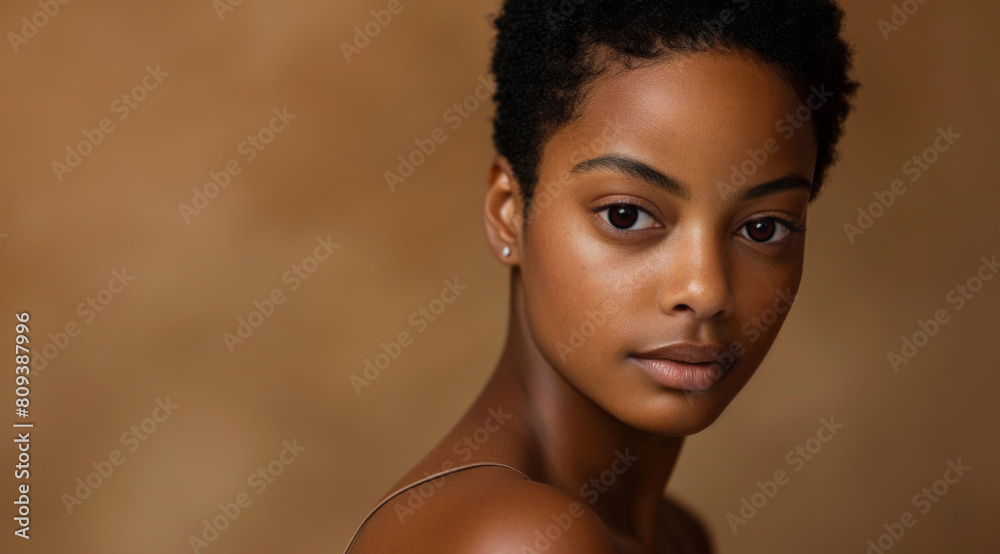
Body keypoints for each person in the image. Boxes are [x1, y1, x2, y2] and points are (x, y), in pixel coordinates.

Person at [345, 0, 858, 551]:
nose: (706, 291)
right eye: (626, 215)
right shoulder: (519, 539)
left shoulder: (675, 535)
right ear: (507, 212)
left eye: (763, 229)